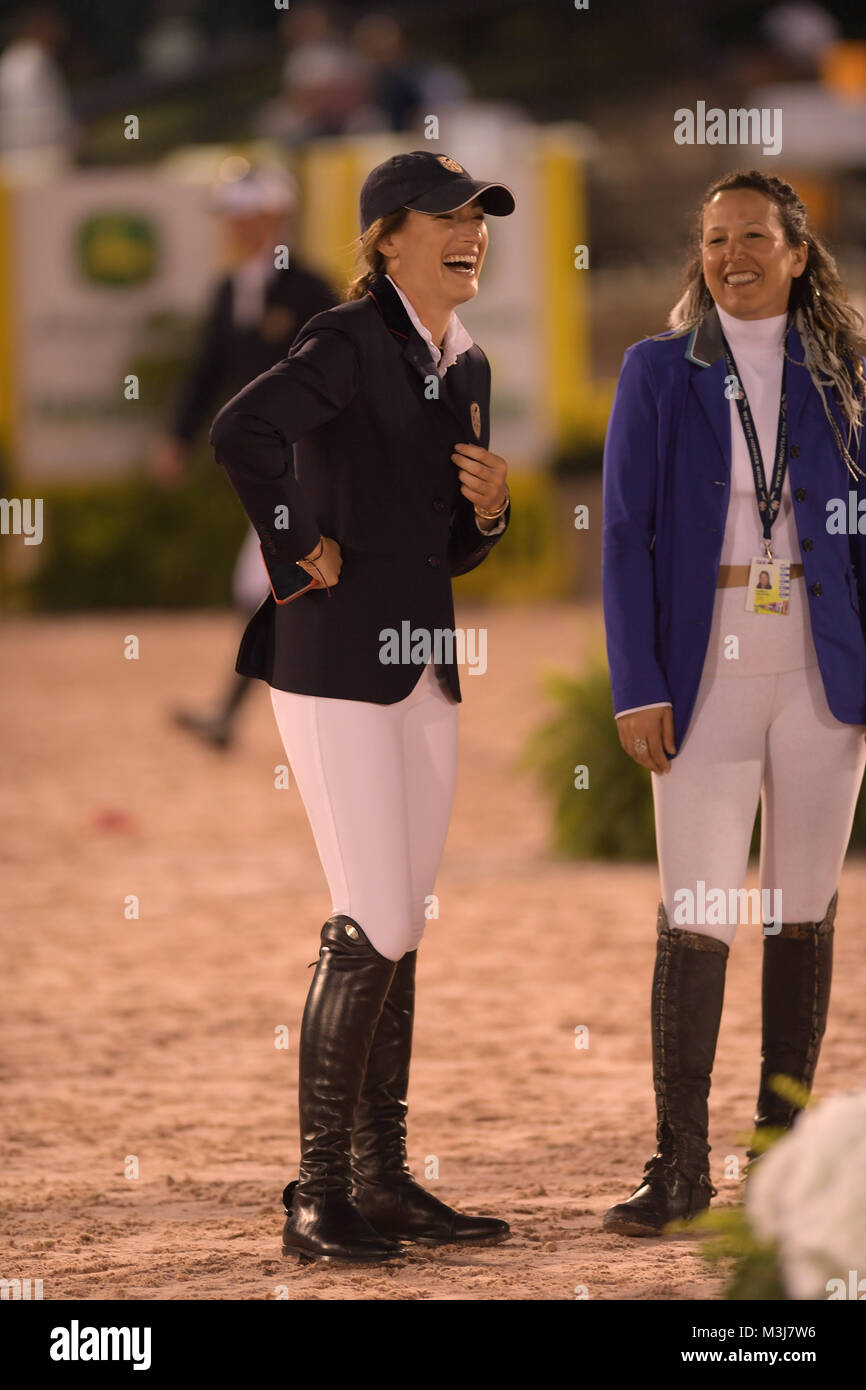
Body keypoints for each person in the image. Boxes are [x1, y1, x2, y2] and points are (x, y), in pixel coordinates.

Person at [209, 150, 516, 1264]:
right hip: (333, 665)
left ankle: (382, 1179)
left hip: (424, 661)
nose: (470, 231)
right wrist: (293, 542)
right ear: (388, 236)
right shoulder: (343, 338)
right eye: (448, 216)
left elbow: (447, 548)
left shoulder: (467, 361)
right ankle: (315, 1193)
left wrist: (490, 515)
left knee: (401, 924)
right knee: (375, 918)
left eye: (479, 217)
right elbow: (239, 431)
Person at [601, 169, 866, 1237]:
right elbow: (622, 538)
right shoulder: (656, 371)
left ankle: (777, 1160)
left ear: (796, 254)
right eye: (713, 239)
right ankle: (676, 1165)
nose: (731, 255)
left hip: (822, 666)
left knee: (800, 908)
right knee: (695, 911)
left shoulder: (844, 370)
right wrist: (635, 683)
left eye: (752, 236)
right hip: (699, 663)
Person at [150, 163, 337, 749]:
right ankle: (259, 713)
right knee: (273, 584)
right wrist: (177, 436)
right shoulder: (230, 289)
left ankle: (241, 716)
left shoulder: (311, 289)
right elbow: (206, 372)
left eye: (242, 214)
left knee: (266, 582)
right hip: (266, 469)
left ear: (273, 215)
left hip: (309, 462)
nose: (232, 226)